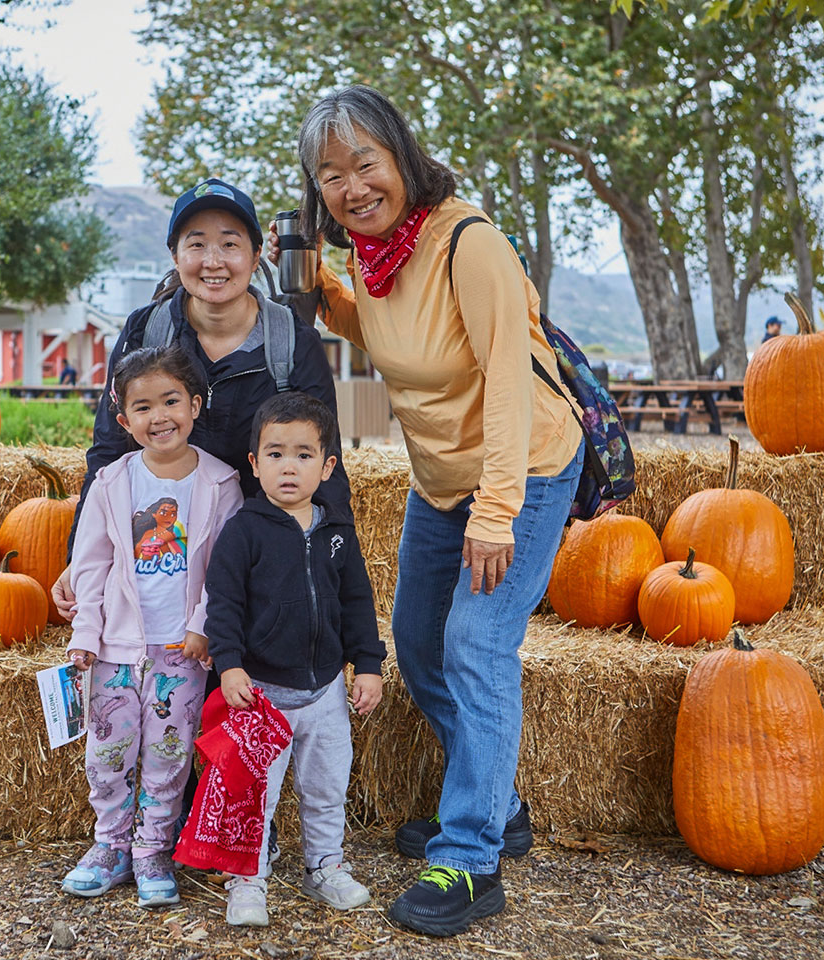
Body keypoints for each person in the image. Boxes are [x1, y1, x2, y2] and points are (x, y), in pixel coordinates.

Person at [272, 85, 584, 937]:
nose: (351, 186)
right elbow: (391, 341)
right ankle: (497, 801)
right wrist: (318, 291)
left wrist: (497, 510)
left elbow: (511, 380)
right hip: (442, 480)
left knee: (477, 644)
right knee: (416, 643)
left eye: (364, 163)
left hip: (522, 471)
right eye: (330, 175)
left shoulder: (466, 244)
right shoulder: (379, 261)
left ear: (401, 157)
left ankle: (472, 857)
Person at [51, 177, 352, 617]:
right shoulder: (145, 332)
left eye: (230, 244)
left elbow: (327, 467)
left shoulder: (291, 342)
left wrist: (334, 579)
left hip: (260, 561)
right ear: (175, 256)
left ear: (253, 257)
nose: (214, 262)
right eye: (197, 245)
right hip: (159, 562)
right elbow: (108, 454)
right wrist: (81, 556)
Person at [61, 344, 245, 908]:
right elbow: (91, 564)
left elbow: (226, 569)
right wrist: (86, 635)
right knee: (108, 752)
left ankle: (152, 849)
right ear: (123, 420)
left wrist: (201, 626)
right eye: (142, 407)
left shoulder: (219, 483)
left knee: (169, 755)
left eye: (170, 401)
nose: (158, 416)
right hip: (117, 648)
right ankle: (110, 845)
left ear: (195, 405)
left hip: (180, 653)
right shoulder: (114, 482)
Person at [197, 391, 386, 927]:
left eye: (304, 454)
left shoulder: (336, 533)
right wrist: (229, 663)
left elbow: (357, 603)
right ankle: (248, 880)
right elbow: (224, 603)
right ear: (254, 464)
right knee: (255, 797)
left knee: (327, 788)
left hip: (325, 692)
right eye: (275, 453)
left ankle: (324, 867)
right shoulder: (244, 531)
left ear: (327, 466)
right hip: (262, 696)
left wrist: (368, 664)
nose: (288, 466)